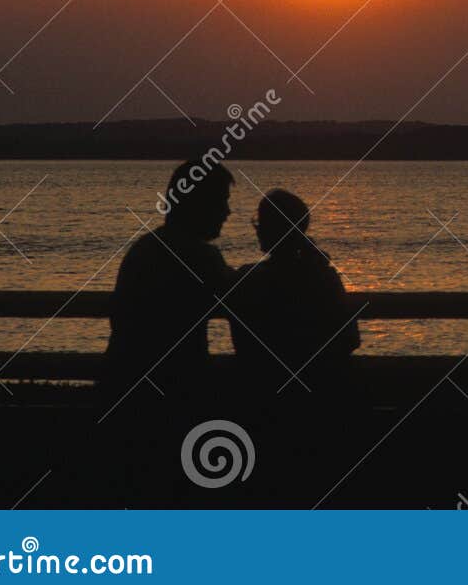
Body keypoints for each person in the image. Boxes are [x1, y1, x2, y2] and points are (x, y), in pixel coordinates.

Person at [103, 158, 234, 408]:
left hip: (120, 387)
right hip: (176, 393)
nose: (227, 212)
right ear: (200, 205)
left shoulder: (143, 249)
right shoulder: (201, 257)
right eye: (222, 201)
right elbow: (239, 294)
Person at [228, 189, 359, 399]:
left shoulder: (247, 279)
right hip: (321, 392)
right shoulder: (324, 277)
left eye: (260, 223)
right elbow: (350, 339)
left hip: (260, 393)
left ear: (267, 230)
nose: (257, 229)